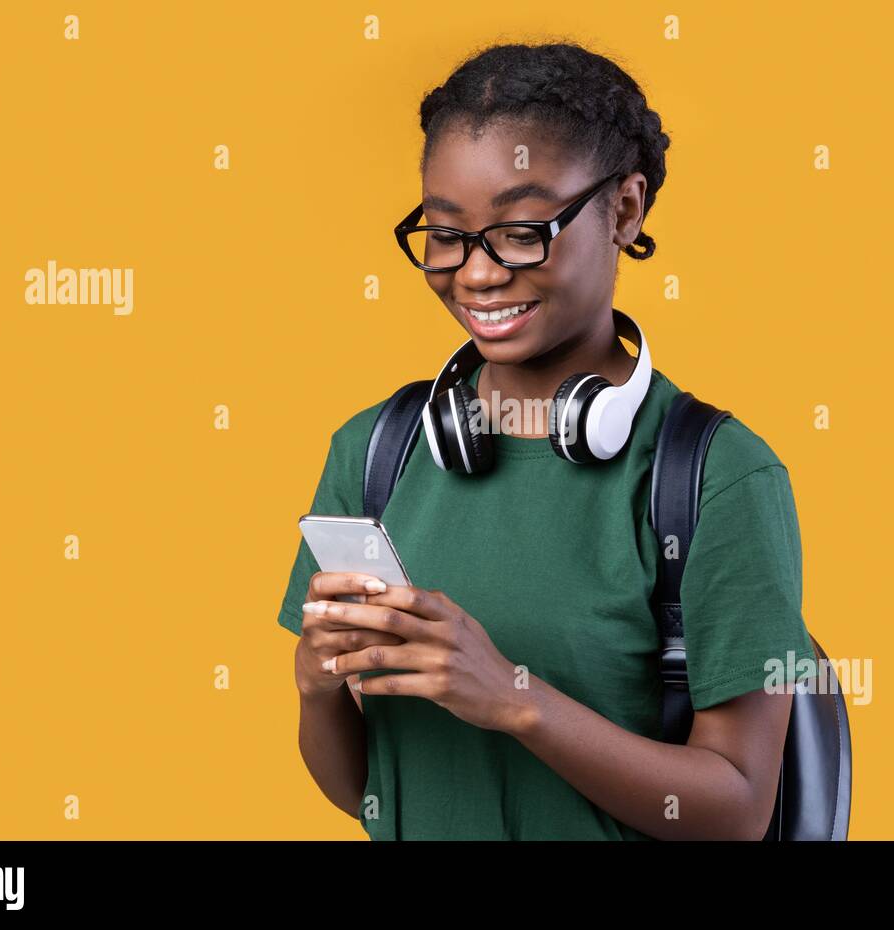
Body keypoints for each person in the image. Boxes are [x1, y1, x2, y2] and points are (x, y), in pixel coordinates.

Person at [278, 41, 816, 840]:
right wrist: (319, 687)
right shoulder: (374, 455)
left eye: (522, 230)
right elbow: (365, 790)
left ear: (626, 210)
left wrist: (512, 699)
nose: (478, 274)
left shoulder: (714, 477)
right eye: (446, 233)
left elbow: (736, 809)